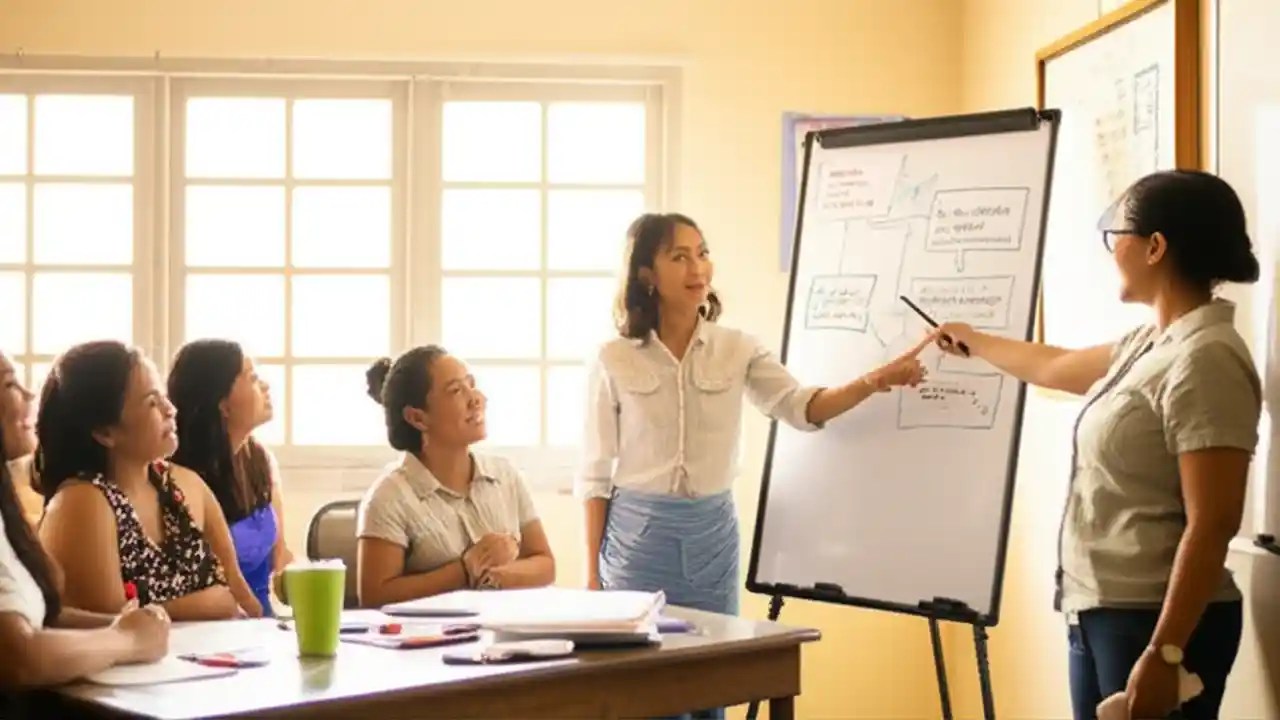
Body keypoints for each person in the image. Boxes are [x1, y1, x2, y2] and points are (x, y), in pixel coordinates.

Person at [935, 170, 1261, 720]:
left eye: (1117, 235)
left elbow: (1214, 522)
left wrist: (1165, 651)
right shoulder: (1151, 344)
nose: (1111, 251)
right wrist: (975, 341)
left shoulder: (1206, 358)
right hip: (1101, 612)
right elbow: (1055, 365)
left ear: (1155, 247)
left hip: (1157, 621)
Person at [577, 212, 932, 617]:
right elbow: (594, 475)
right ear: (646, 275)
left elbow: (800, 407)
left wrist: (874, 381)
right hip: (636, 543)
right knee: (636, 655)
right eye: (679, 257)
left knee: (714, 655)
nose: (697, 268)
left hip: (711, 540)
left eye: (702, 254)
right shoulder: (612, 357)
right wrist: (591, 577)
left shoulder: (738, 348)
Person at [0, 348, 169, 706]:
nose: (29, 394)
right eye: (10, 384)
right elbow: (18, 655)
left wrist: (126, 625)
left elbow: (39, 617)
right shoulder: (85, 498)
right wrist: (126, 640)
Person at [35, 341, 249, 621]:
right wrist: (204, 604)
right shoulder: (81, 503)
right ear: (105, 432)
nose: (170, 409)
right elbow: (115, 628)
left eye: (163, 397)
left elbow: (239, 596)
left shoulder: (184, 483)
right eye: (151, 402)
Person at [356, 346, 554, 607]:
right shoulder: (389, 497)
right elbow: (375, 597)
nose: (476, 399)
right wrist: (465, 570)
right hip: (430, 633)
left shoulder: (504, 474)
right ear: (417, 418)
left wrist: (497, 576)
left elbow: (545, 563)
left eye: (471, 385)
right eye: (456, 391)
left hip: (505, 627)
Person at [168, 339, 293, 617]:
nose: (265, 386)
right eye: (252, 378)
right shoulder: (178, 480)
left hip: (263, 622)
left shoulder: (260, 460)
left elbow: (281, 557)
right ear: (223, 404)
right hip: (212, 625)